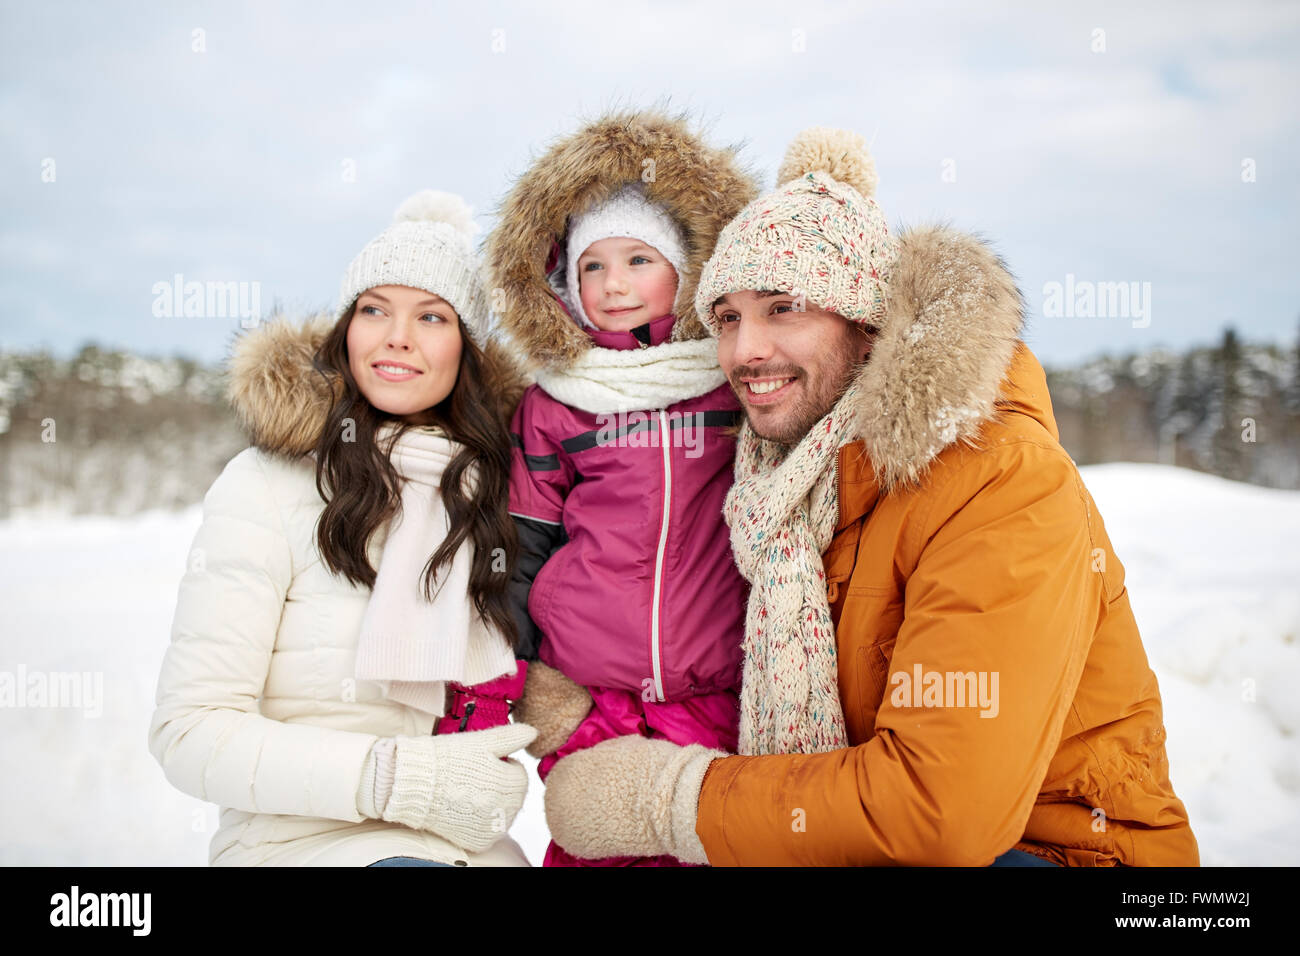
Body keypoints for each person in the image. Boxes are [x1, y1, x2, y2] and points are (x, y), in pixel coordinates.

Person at [540, 128, 1200, 867]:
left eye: (783, 307)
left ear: (867, 324)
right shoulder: (779, 492)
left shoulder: (999, 479)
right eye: (726, 318)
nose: (745, 351)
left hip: (1055, 855)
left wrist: (672, 801)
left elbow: (940, 813)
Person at [148, 191, 538, 866]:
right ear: (345, 330)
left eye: (432, 316)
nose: (397, 337)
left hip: (471, 853)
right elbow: (189, 731)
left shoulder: (498, 496)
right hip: (301, 844)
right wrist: (394, 779)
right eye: (373, 310)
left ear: (467, 350)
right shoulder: (268, 484)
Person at [487, 109, 759, 865]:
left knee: (716, 845)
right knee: (600, 847)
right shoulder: (558, 400)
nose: (614, 285)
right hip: (591, 695)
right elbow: (524, 543)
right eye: (592, 267)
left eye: (638, 260)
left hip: (720, 689)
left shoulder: (731, 383)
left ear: (688, 267)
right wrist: (529, 682)